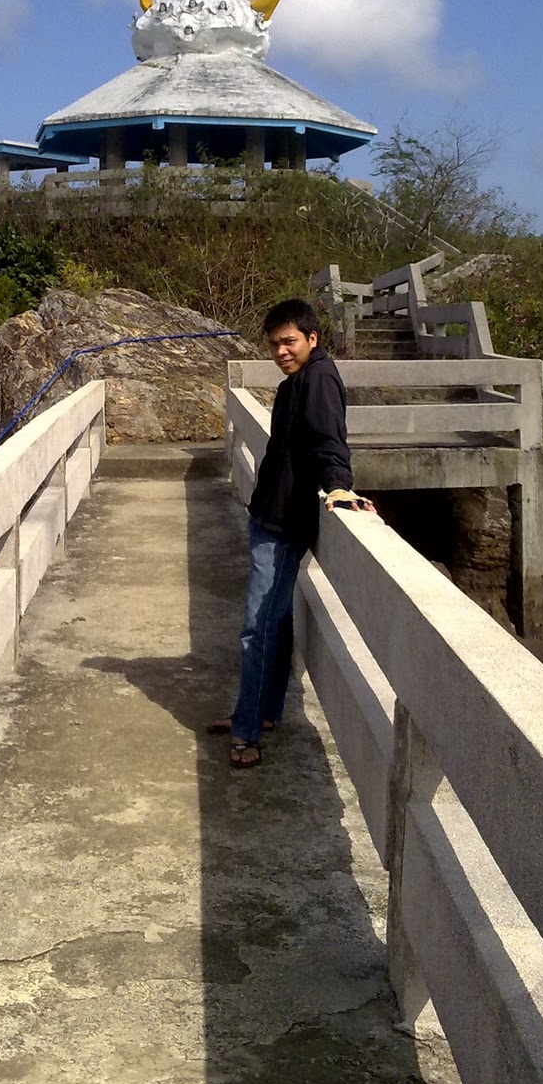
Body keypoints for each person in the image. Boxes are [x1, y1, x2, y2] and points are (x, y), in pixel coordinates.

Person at [213, 298, 376, 769]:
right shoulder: (297, 380)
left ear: (312, 338)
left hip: (283, 523)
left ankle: (247, 731)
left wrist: (339, 485)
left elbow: (330, 440)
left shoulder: (319, 380)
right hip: (272, 513)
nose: (281, 351)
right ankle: (262, 712)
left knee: (258, 626)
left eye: (289, 342)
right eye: (274, 344)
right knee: (276, 621)